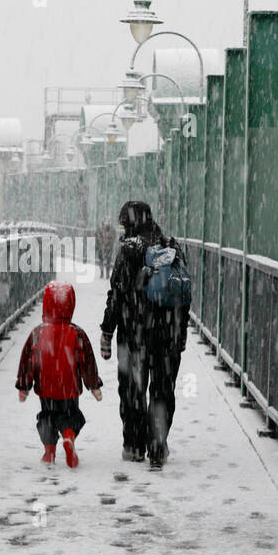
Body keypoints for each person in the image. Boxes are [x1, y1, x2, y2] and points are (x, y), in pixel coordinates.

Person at [99, 201, 189, 469]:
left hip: (134, 332)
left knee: (132, 390)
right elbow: (184, 294)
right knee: (162, 390)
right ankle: (157, 446)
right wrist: (179, 334)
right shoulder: (171, 247)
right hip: (167, 333)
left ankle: (133, 445)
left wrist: (107, 329)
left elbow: (116, 294)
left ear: (129, 224)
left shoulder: (129, 251)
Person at [16, 280, 103, 468]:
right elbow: (87, 361)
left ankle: (49, 451)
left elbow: (27, 360)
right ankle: (69, 436)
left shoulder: (38, 333)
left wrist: (24, 386)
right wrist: (93, 384)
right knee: (71, 415)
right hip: (69, 386)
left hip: (45, 386)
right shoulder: (76, 333)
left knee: (47, 416)